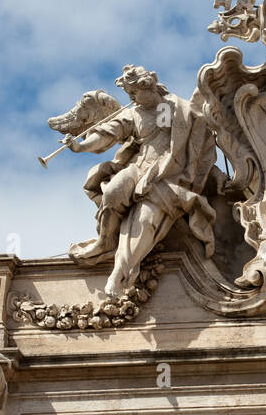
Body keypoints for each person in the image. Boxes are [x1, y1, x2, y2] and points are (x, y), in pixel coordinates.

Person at [65, 65, 216, 296]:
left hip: (168, 176)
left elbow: (176, 142)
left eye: (134, 93)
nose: (131, 98)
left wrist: (172, 114)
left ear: (149, 87)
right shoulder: (135, 112)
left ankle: (119, 272)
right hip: (139, 167)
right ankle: (105, 242)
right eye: (130, 94)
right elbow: (108, 132)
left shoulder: (173, 107)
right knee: (113, 191)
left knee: (145, 221)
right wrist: (80, 145)